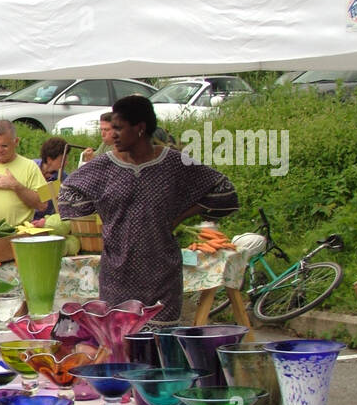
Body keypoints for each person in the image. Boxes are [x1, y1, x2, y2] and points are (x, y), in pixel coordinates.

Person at [58, 95, 238, 325]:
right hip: (117, 277)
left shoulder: (174, 164)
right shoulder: (103, 167)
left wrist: (180, 215)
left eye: (119, 129)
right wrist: (103, 210)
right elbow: (68, 193)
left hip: (161, 276)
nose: (112, 135)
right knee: (121, 348)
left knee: (159, 350)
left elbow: (223, 190)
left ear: (140, 128)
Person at [33, 137, 73, 219]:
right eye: (62, 160)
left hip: (45, 222)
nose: (66, 163)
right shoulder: (31, 167)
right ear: (49, 159)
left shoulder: (63, 178)